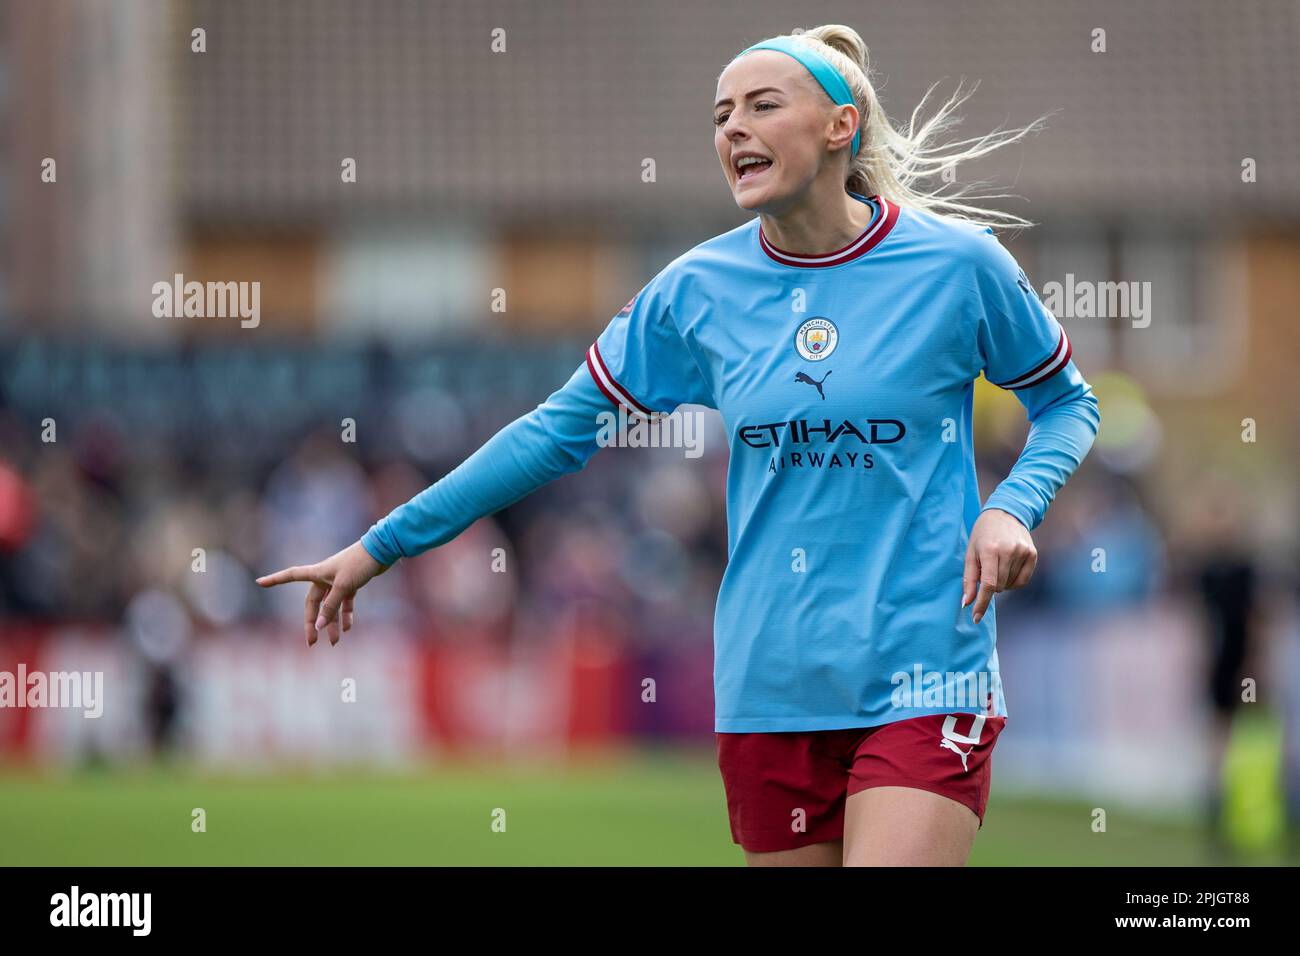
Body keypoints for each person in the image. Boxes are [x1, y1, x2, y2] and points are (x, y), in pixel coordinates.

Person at [258, 24, 1100, 866]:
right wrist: (382, 543)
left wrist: (1009, 510)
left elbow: (1067, 404)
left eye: (763, 106)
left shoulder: (958, 267)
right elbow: (554, 435)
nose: (733, 128)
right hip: (771, 683)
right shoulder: (697, 291)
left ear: (841, 125)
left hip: (928, 669)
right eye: (721, 114)